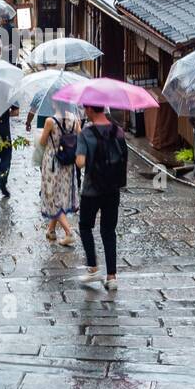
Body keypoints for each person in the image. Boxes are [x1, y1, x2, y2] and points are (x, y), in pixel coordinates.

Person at [75, 104, 127, 289]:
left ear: (90, 109)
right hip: (113, 188)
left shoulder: (86, 134)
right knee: (108, 231)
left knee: (85, 226)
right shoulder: (118, 130)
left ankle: (93, 268)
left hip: (92, 189)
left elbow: (80, 163)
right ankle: (112, 277)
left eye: (84, 108)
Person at [39, 110, 80, 245]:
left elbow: (43, 142)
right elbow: (80, 137)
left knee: (51, 197)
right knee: (60, 195)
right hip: (68, 162)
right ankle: (51, 230)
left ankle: (69, 232)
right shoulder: (75, 119)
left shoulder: (50, 121)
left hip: (52, 162)